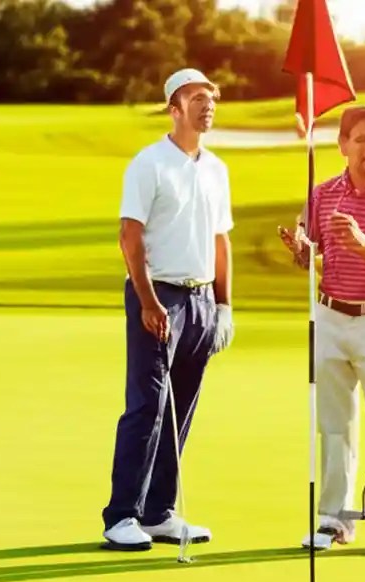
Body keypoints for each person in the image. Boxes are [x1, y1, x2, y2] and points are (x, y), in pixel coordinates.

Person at [278, 105, 365, 555]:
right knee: (334, 425)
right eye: (361, 139)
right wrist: (302, 249)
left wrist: (361, 241)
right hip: (331, 316)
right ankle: (334, 520)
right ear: (342, 145)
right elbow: (312, 253)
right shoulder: (323, 194)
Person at [101, 68, 235, 550]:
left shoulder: (216, 169)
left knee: (182, 408)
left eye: (211, 98)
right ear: (174, 108)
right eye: (197, 98)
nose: (207, 105)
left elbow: (221, 241)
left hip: (201, 300)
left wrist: (224, 305)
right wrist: (148, 300)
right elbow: (129, 237)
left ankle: (159, 513)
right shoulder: (149, 163)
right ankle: (121, 516)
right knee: (147, 407)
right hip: (158, 296)